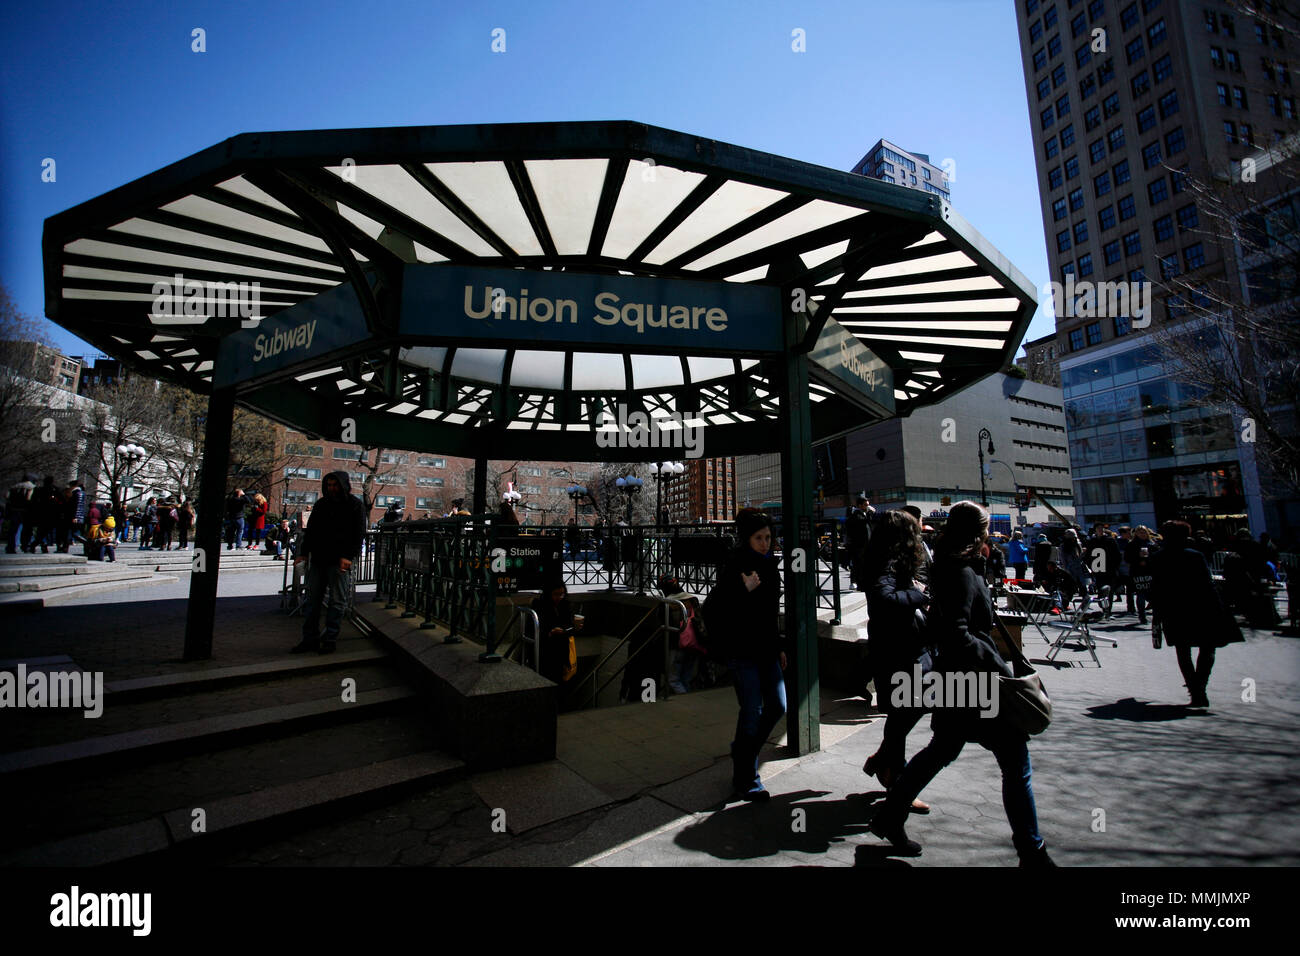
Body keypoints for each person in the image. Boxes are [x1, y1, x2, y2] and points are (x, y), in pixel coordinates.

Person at [868, 501, 1053, 866]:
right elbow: (958, 633)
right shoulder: (962, 574)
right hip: (978, 684)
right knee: (1015, 766)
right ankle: (1032, 852)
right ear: (979, 533)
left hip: (958, 680)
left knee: (942, 750)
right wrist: (993, 661)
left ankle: (890, 816)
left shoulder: (954, 568)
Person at [708, 508, 786, 802]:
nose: (765, 543)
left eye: (768, 537)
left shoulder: (771, 565)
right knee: (751, 711)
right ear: (747, 538)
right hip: (742, 651)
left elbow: (769, 613)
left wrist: (779, 646)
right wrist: (743, 589)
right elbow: (716, 609)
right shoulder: (735, 565)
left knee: (778, 706)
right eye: (758, 538)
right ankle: (747, 778)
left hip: (766, 649)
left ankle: (742, 751)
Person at [860, 510, 933, 814]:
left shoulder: (889, 562)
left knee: (907, 711)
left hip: (903, 648)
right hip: (897, 651)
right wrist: (917, 594)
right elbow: (886, 600)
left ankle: (885, 765)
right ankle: (895, 779)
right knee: (906, 712)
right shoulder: (885, 565)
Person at [1149, 520, 1243, 708]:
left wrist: (1157, 611)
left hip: (1174, 609)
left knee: (1183, 650)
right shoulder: (1195, 556)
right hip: (1203, 607)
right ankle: (1200, 685)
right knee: (1207, 648)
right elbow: (1208, 584)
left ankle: (1195, 689)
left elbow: (1157, 588)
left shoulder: (1158, 558)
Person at [291, 472, 367, 654]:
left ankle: (329, 638)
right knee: (314, 600)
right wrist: (304, 553)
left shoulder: (355, 505)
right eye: (329, 485)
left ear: (343, 486)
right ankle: (312, 639)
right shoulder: (322, 505)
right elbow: (311, 532)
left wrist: (348, 556)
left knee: (336, 601)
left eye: (335, 485)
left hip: (338, 559)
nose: (332, 488)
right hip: (320, 558)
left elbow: (358, 534)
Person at [531, 577, 583, 687]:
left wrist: (571, 628)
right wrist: (549, 633)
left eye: (562, 594)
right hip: (545, 652)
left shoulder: (565, 605)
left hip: (561, 651)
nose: (559, 597)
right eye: (556, 594)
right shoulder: (539, 606)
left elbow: (568, 624)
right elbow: (533, 629)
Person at [845, 494, 874, 590]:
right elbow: (861, 522)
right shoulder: (855, 515)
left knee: (865, 564)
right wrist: (869, 513)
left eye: (868, 505)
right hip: (858, 545)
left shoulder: (865, 514)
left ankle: (862, 582)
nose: (868, 507)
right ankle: (854, 582)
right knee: (857, 563)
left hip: (867, 543)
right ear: (860, 505)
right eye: (866, 505)